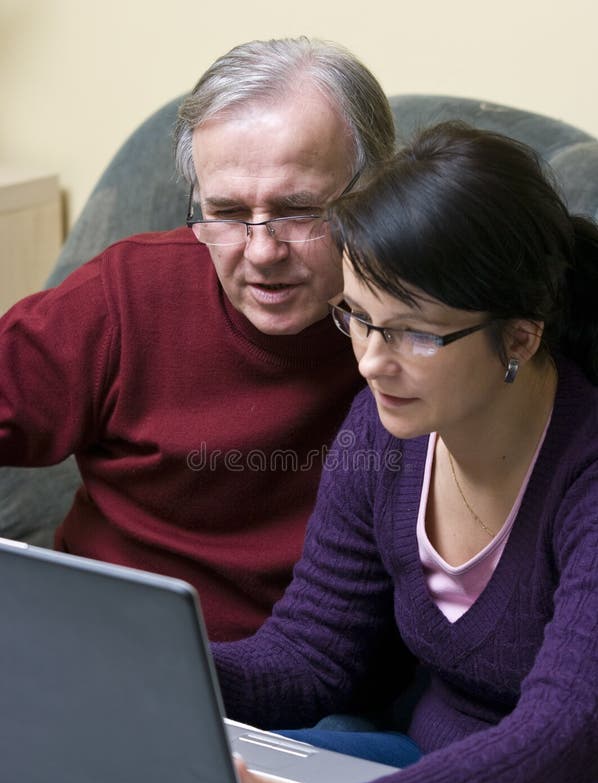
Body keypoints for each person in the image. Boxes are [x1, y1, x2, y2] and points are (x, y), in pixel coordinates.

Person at [169, 122, 598, 783]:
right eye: (357, 317)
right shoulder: (387, 429)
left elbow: (564, 737)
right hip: (430, 777)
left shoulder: (586, 471)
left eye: (411, 334)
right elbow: (311, 655)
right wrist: (157, 669)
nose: (371, 362)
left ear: (519, 337)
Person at [0, 38, 395, 640]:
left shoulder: (426, 332)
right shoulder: (125, 295)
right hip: (92, 641)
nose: (261, 253)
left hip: (307, 671)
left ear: (376, 195)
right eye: (227, 213)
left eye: (297, 210)